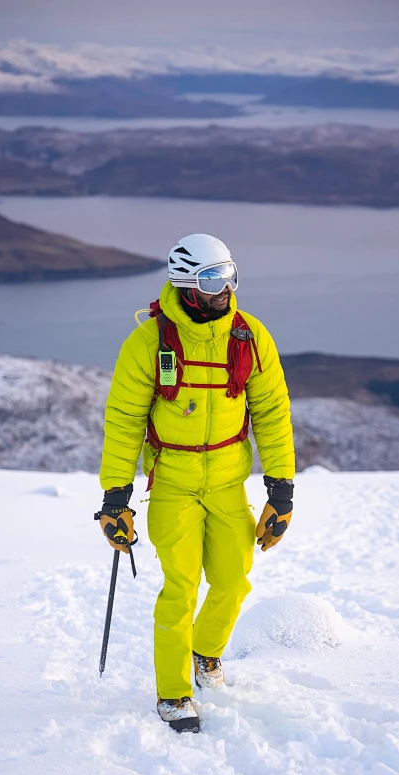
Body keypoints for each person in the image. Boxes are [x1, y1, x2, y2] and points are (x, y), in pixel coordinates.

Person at [96, 233, 295, 733]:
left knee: (232, 580)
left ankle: (206, 653)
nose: (224, 288)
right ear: (186, 284)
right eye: (211, 278)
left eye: (229, 275)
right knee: (181, 587)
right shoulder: (149, 342)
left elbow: (272, 413)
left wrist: (281, 490)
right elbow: (124, 420)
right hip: (173, 484)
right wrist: (115, 498)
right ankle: (174, 692)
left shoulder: (249, 336)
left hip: (229, 482)